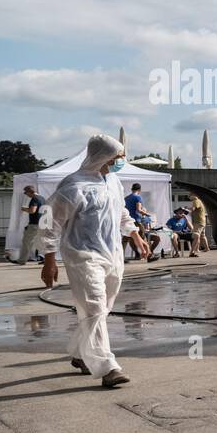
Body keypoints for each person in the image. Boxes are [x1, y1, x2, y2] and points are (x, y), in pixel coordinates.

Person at [41, 134, 133, 388]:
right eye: (117, 157)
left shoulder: (113, 181)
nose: (121, 161)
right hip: (83, 256)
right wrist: (49, 259)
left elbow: (121, 210)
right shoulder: (73, 186)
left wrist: (134, 233)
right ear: (101, 157)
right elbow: (48, 223)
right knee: (93, 307)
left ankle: (82, 355)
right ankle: (107, 367)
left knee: (101, 309)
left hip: (113, 255)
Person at [9, 185, 45, 264]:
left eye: (26, 192)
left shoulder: (34, 199)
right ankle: (45, 259)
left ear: (30, 192)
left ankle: (22, 260)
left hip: (34, 224)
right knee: (41, 242)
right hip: (42, 223)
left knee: (26, 242)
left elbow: (32, 211)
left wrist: (24, 209)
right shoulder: (42, 198)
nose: (25, 194)